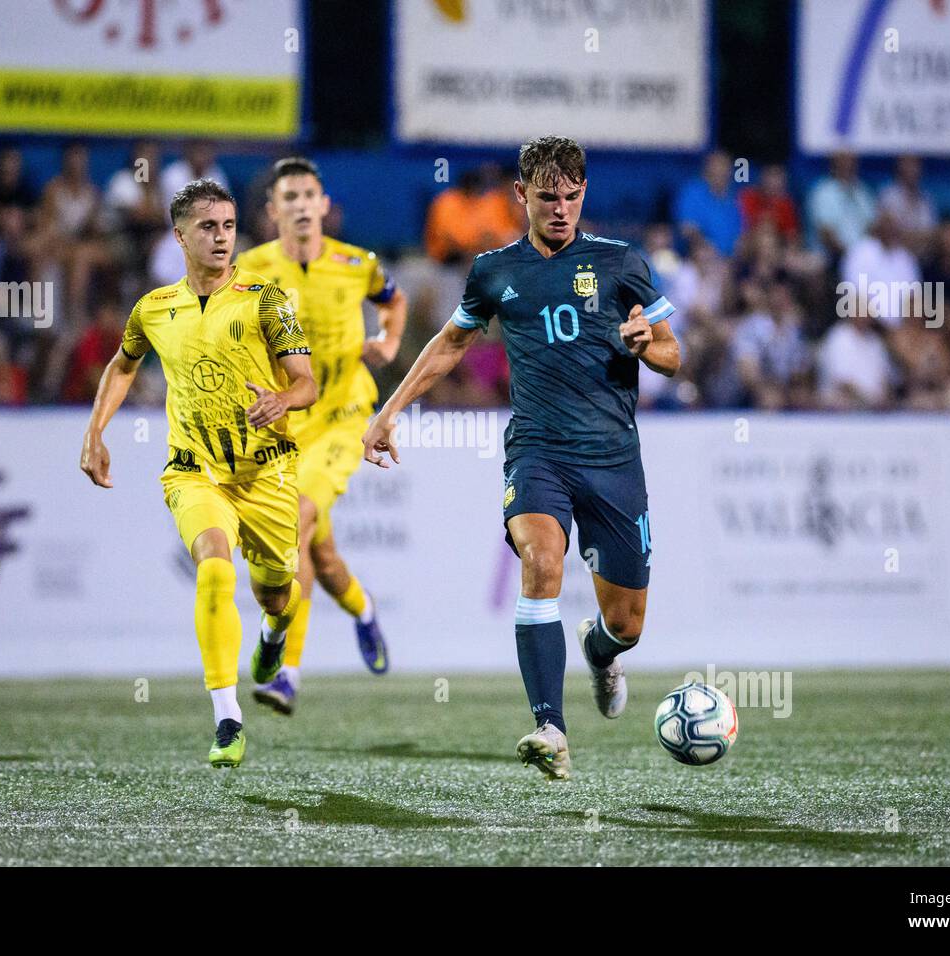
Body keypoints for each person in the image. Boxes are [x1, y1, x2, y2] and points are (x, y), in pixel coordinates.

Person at [362, 136, 681, 781]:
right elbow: (450, 346)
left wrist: (648, 344)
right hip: (537, 451)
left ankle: (600, 650)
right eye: (546, 197)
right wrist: (388, 411)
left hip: (614, 460)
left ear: (583, 194)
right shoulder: (495, 271)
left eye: (570, 196)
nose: (560, 208)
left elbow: (674, 352)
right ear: (521, 197)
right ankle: (550, 728)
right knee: (541, 560)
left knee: (627, 622)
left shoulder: (622, 264)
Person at [79, 179, 316, 768]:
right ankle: (227, 717)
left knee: (276, 592)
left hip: (267, 473)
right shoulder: (154, 308)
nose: (221, 238)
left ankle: (273, 633)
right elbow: (121, 364)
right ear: (179, 235)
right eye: (208, 227)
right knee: (213, 566)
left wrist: (282, 401)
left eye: (229, 226)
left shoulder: (267, 299)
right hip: (194, 470)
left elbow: (308, 383)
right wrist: (94, 432)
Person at [234, 157, 405, 713]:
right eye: (290, 197)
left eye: (310, 194)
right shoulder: (250, 270)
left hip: (344, 416)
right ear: (272, 212)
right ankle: (364, 610)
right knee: (323, 556)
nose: (302, 205)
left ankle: (286, 670)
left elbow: (393, 300)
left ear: (324, 204)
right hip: (285, 423)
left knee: (299, 519)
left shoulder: (357, 263)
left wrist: (389, 342)